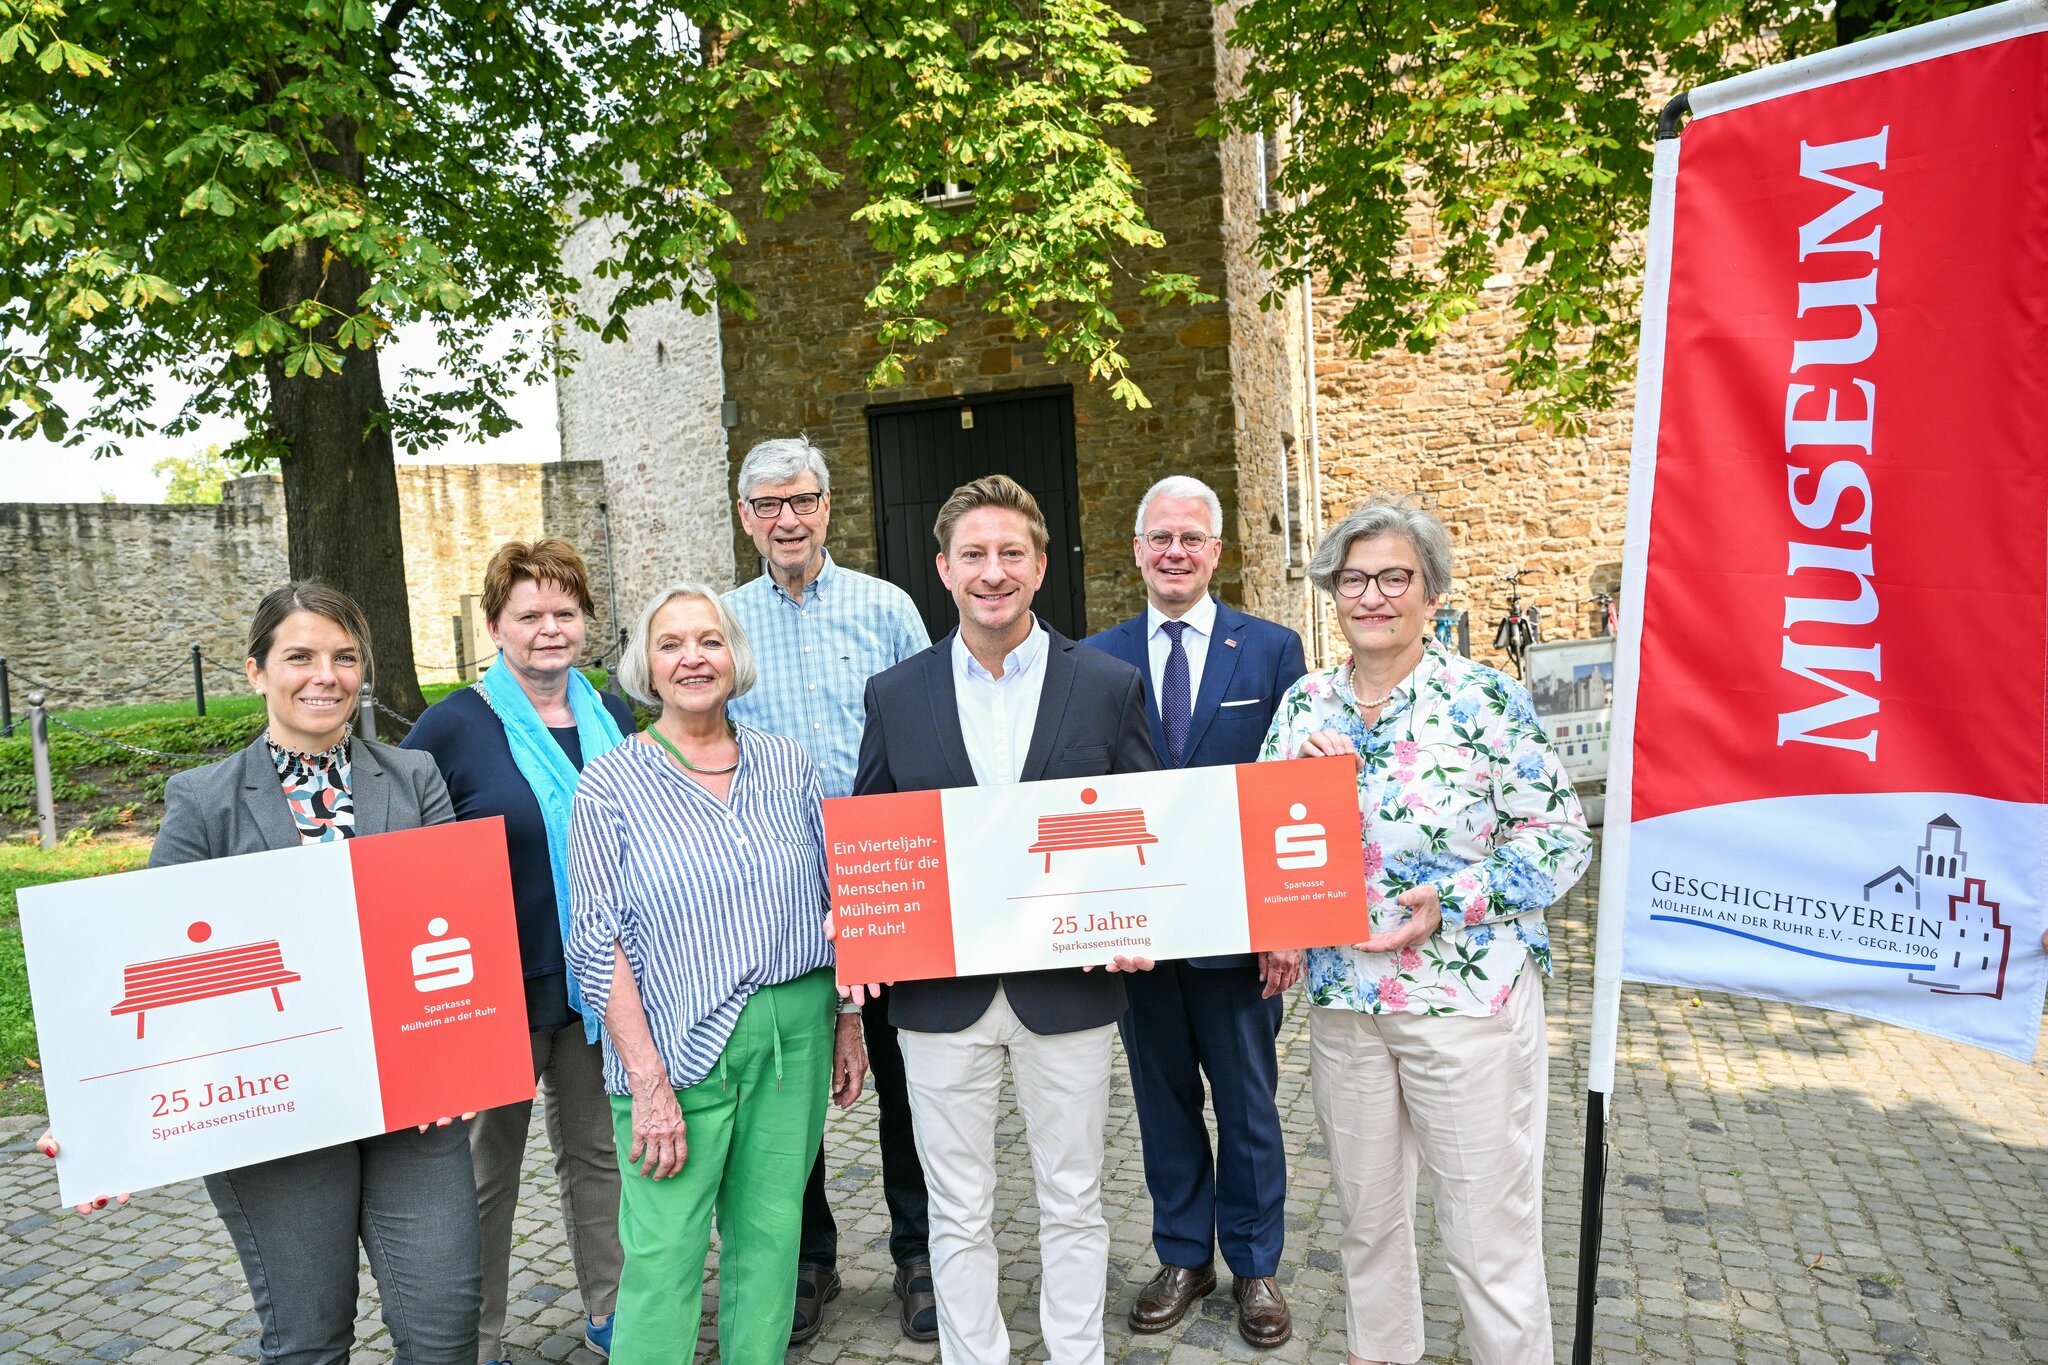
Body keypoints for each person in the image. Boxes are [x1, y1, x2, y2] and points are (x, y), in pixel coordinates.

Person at [40, 582, 483, 1364]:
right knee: (310, 1339)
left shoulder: (413, 778)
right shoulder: (204, 800)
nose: (326, 675)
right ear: (256, 671)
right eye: (301, 655)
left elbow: (455, 940)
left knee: (444, 1331)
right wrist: (100, 1127)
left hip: (412, 1103)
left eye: (345, 657)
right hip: (277, 1112)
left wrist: (457, 1059)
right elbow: (142, 954)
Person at [1260, 497, 1592, 1365]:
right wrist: (1280, 917)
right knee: (1367, 1227)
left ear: (1431, 593)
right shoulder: (1303, 707)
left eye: (1393, 576)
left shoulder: (1484, 699)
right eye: (1354, 578)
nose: (1372, 595)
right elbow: (1261, 844)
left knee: (1489, 1238)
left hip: (1465, 1002)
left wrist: (1453, 900)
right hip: (1346, 1005)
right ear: (1334, 591)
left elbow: (1559, 839)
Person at [845, 474, 1156, 1365]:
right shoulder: (894, 694)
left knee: (1073, 1194)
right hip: (940, 997)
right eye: (974, 554)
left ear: (1041, 565)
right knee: (958, 1204)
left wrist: (1139, 921)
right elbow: (873, 834)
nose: (993, 571)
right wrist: (865, 936)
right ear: (943, 569)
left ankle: (1074, 1354)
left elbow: (1145, 826)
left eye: (1010, 552)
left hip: (1071, 990)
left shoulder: (1105, 684)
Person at [565, 584, 860, 1365]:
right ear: (647, 669)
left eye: (710, 640)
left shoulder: (788, 764)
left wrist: (850, 1021)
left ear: (735, 657)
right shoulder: (610, 783)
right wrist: (646, 1076)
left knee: (770, 1237)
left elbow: (838, 900)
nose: (693, 657)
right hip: (673, 1040)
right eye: (671, 644)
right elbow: (596, 938)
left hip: (796, 1030)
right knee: (663, 1250)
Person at [1082, 475, 1308, 1347]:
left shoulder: (1272, 651)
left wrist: (1285, 918)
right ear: (1137, 550)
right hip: (1139, 936)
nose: (1175, 552)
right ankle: (1183, 1253)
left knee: (1249, 1101)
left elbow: (1293, 792)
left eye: (1192, 538)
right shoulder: (1095, 658)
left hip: (1241, 931)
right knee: (1162, 1097)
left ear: (1216, 551)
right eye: (1160, 538)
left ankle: (1255, 1264)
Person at [720, 436, 936, 1343]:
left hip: (885, 873)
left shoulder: (887, 607)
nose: (787, 519)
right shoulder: (723, 622)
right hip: (778, 884)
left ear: (828, 503)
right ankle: (806, 1261)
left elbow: (932, 724)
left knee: (906, 1074)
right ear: (745, 518)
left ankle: (921, 1252)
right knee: (788, 1083)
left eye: (800, 499)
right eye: (767, 505)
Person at [403, 538, 632, 1364]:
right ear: (495, 625)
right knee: (481, 1171)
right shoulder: (454, 725)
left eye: (564, 612)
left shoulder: (615, 715)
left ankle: (615, 1311)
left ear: (585, 621)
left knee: (601, 1156)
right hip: (489, 986)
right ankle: (476, 1334)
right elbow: (410, 854)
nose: (549, 628)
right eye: (529, 614)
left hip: (600, 980)